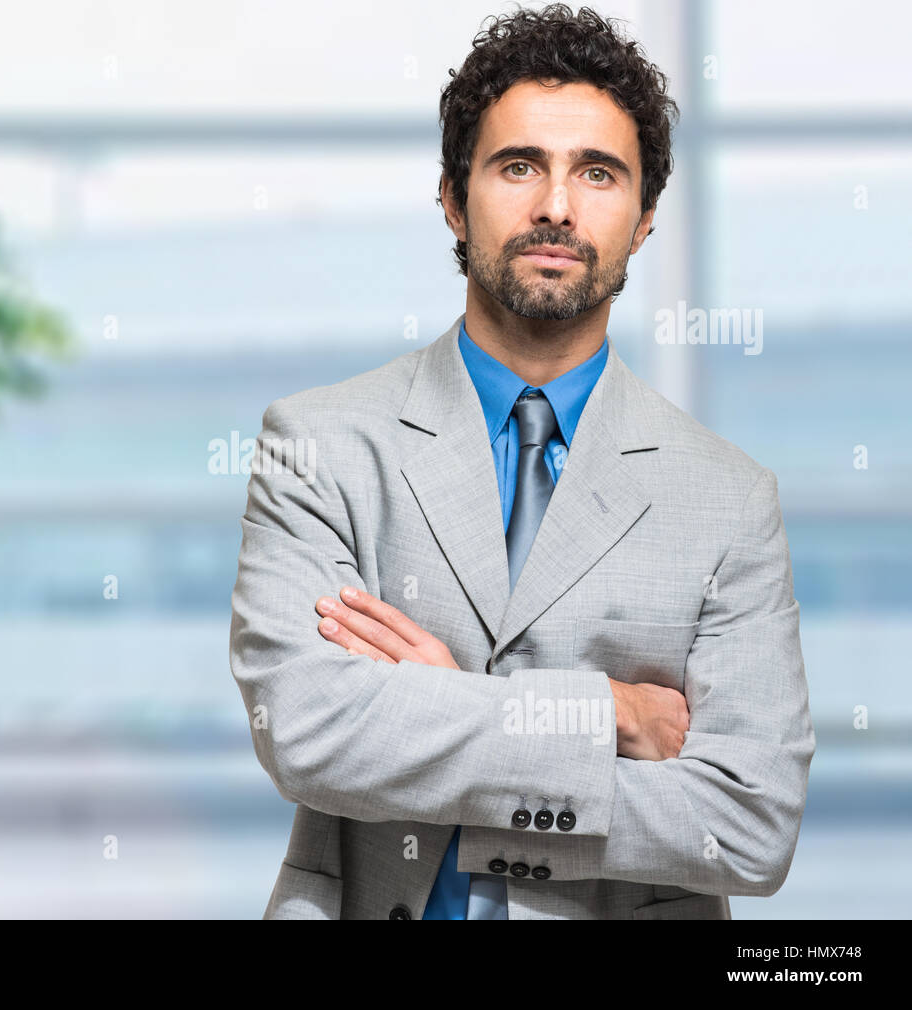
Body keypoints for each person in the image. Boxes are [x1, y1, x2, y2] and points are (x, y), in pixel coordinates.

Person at [227, 4, 814, 920]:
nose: (555, 204)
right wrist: (605, 715)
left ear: (646, 218)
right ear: (455, 198)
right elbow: (309, 731)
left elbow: (748, 823)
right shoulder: (319, 444)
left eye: (598, 172)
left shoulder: (730, 500)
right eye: (519, 165)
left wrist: (449, 720)